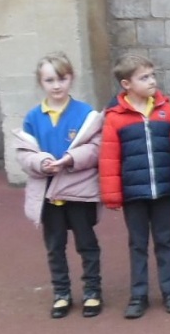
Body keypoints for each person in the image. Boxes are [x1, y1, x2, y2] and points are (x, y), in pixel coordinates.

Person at [99, 53, 170, 318]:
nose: (152, 81)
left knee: (165, 241)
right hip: (134, 193)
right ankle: (138, 295)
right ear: (126, 84)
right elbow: (109, 159)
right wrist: (112, 196)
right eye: (144, 77)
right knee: (138, 244)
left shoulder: (166, 109)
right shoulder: (115, 117)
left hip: (163, 190)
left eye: (152, 75)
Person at [13, 52, 104, 318]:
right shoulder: (33, 117)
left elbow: (95, 149)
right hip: (47, 194)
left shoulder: (86, 113)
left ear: (71, 79)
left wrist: (69, 159)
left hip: (78, 191)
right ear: (41, 82)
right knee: (55, 246)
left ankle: (92, 292)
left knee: (86, 243)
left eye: (62, 79)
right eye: (50, 80)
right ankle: (62, 293)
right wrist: (41, 162)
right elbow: (24, 153)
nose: (56, 85)